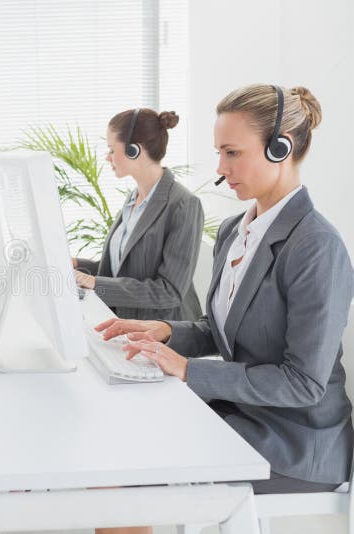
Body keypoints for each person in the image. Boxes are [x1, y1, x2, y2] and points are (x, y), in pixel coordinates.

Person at [95, 84, 353, 534]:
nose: (220, 168)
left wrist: (188, 370)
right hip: (242, 414)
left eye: (232, 153)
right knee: (121, 440)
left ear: (279, 148)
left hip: (295, 443)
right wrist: (165, 332)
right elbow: (221, 329)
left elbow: (304, 383)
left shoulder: (316, 247)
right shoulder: (236, 230)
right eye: (219, 153)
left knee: (128, 477)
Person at [73, 108, 204, 322]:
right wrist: (76, 264)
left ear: (134, 149)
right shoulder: (133, 199)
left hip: (165, 331)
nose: (107, 157)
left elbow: (169, 291)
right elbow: (123, 271)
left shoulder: (183, 204)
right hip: (126, 325)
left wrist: (95, 283)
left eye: (111, 149)